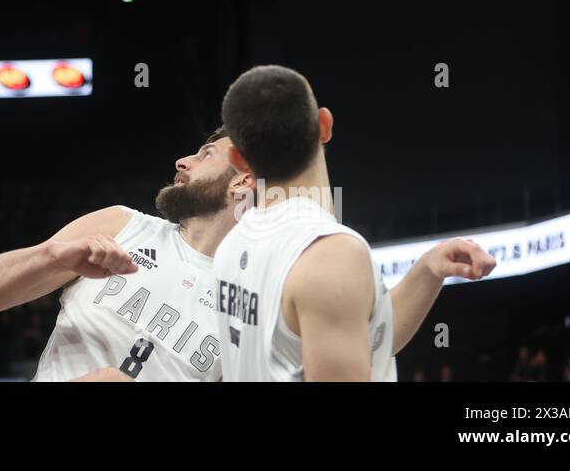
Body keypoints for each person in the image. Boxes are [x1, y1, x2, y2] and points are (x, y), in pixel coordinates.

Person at [211, 65, 496, 381]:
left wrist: (428, 269)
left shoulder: (233, 244)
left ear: (238, 159)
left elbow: (354, 332)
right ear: (324, 124)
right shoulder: (331, 256)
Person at [0, 127, 254, 381]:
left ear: (242, 180)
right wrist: (53, 256)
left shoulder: (252, 306)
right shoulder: (121, 225)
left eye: (206, 154)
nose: (182, 161)